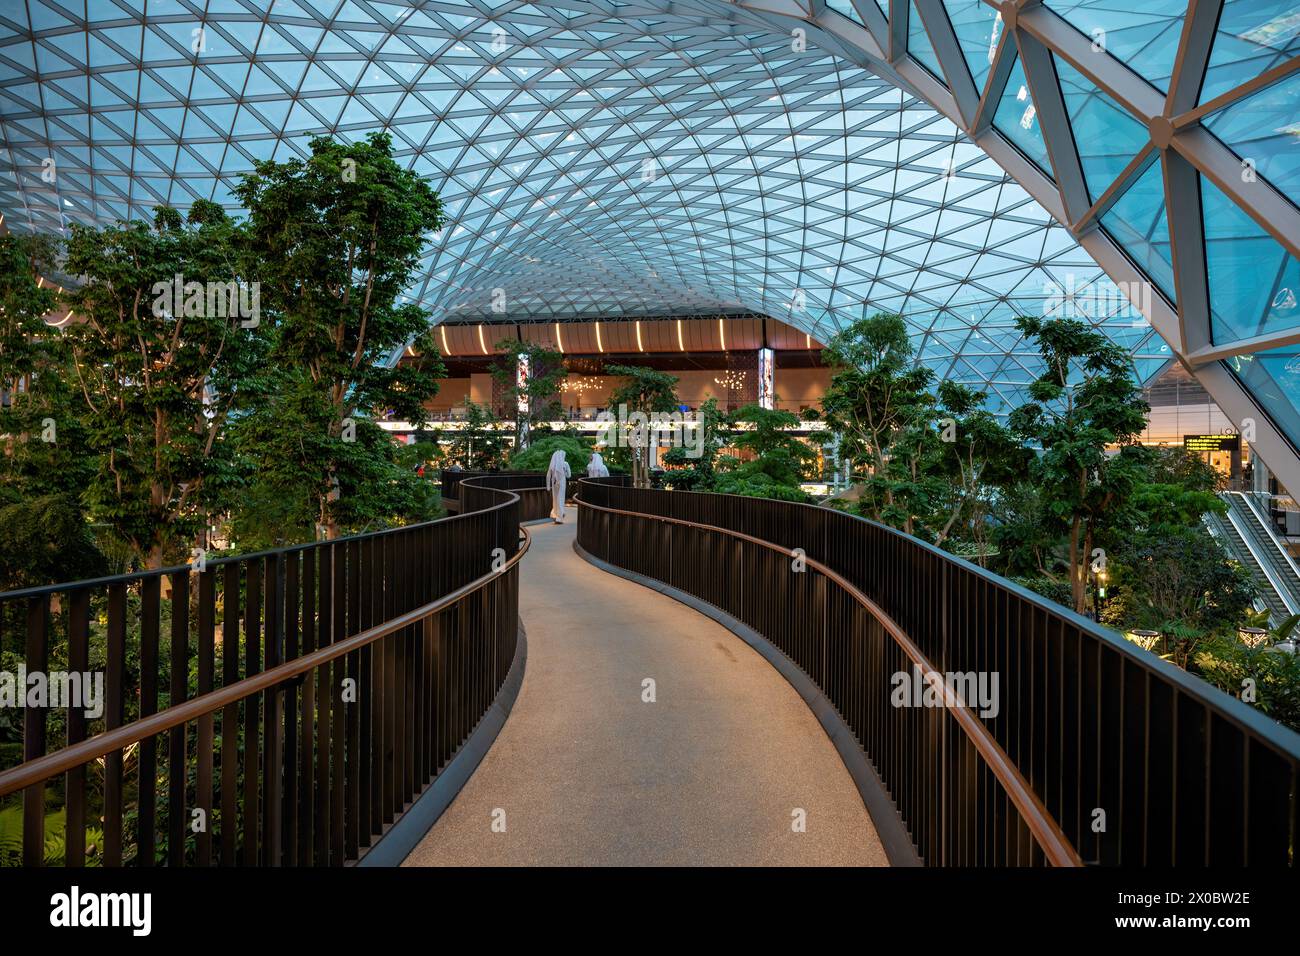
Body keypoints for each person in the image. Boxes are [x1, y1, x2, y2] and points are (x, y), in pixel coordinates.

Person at [545, 449, 571, 523]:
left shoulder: (553, 464)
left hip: (554, 483)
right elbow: (569, 475)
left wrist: (548, 487)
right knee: (561, 499)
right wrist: (564, 472)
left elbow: (548, 476)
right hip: (562, 483)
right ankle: (559, 517)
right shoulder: (565, 464)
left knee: (555, 498)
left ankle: (556, 514)